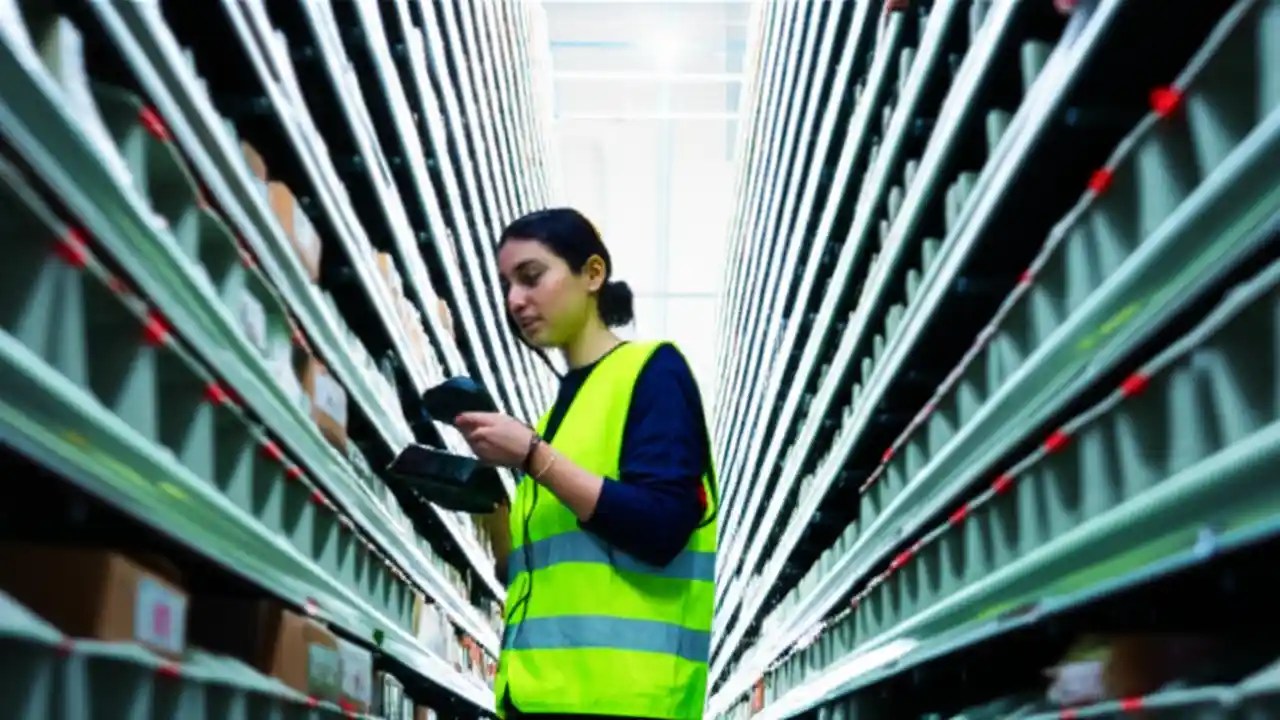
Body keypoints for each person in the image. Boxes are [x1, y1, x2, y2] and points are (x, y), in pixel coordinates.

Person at [454, 207, 718, 720]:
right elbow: (552, 574)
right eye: (506, 285)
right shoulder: (555, 416)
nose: (515, 301)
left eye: (531, 277)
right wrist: (490, 512)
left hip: (624, 705)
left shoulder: (652, 371)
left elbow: (662, 527)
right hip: (539, 702)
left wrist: (533, 456)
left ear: (593, 274)